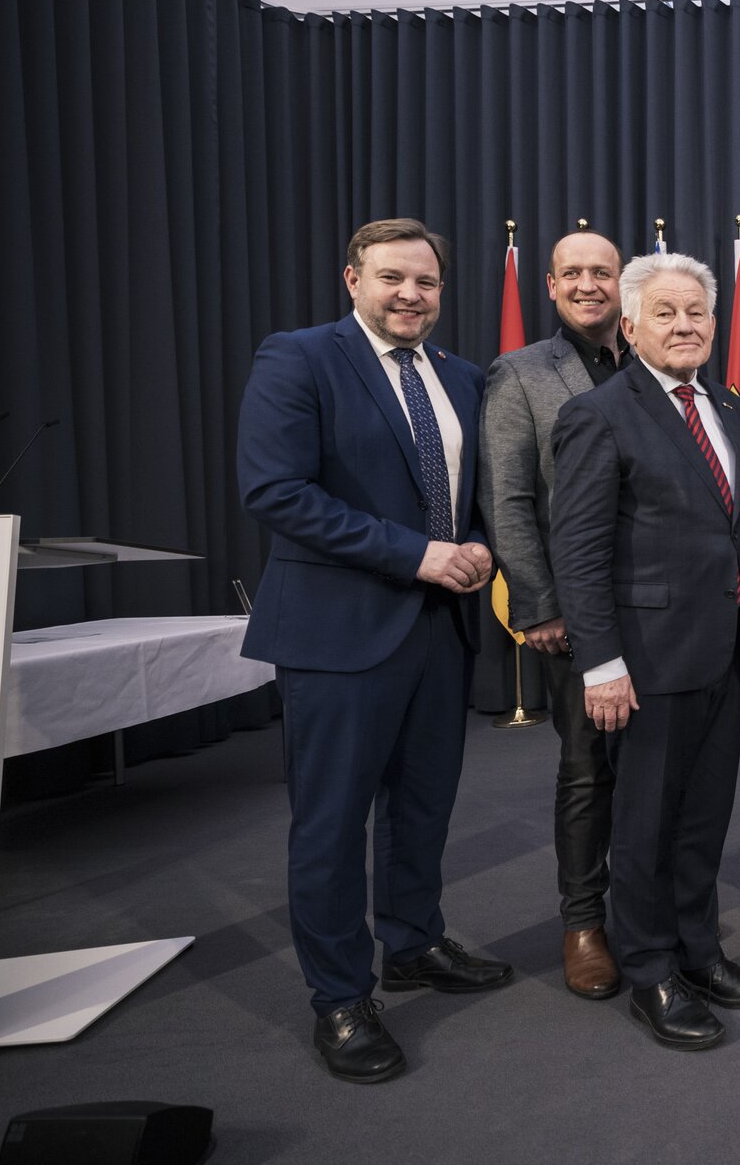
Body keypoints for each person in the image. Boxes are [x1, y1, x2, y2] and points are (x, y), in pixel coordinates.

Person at [238, 217, 512, 1084]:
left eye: (425, 282)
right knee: (330, 824)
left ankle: (414, 942)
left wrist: (478, 545)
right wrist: (418, 554)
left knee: (422, 807)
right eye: (392, 277)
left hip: (439, 630)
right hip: (337, 632)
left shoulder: (463, 376)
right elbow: (276, 491)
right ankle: (341, 998)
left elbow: (472, 495)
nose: (410, 295)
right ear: (352, 278)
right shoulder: (299, 358)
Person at [549, 251, 740, 1052]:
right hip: (642, 661)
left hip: (722, 651)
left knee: (702, 818)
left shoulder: (728, 407)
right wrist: (601, 664)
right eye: (666, 313)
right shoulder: (599, 413)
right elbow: (577, 551)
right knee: (644, 825)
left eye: (697, 313)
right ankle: (649, 970)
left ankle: (699, 953)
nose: (685, 326)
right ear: (631, 324)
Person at [481, 227, 629, 1000]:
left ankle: (650, 905)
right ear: (550, 285)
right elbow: (507, 499)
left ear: (622, 280)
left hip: (661, 608)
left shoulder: (656, 360)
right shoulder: (521, 373)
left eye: (601, 271)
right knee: (586, 771)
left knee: (657, 767)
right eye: (572, 273)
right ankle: (583, 923)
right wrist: (537, 606)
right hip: (575, 613)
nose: (587, 285)